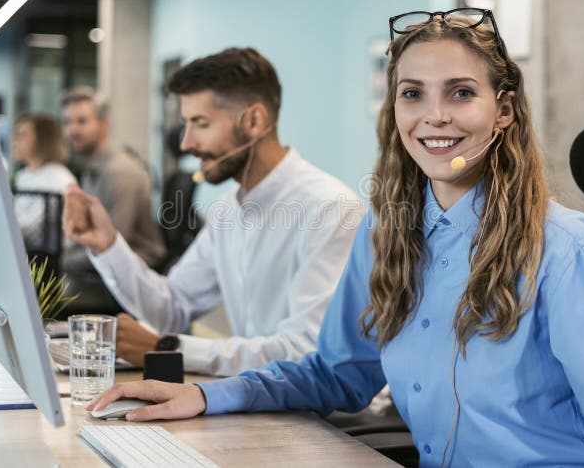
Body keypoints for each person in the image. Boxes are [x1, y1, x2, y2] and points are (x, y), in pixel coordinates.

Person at [87, 11, 584, 467]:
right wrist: (204, 396)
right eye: (413, 94)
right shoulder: (388, 232)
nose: (434, 116)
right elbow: (335, 374)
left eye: (461, 93)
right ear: (394, 110)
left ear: (503, 111)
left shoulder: (564, 249)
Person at [65, 47, 364, 376]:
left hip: (329, 419)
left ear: (254, 120)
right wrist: (106, 245)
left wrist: (168, 350)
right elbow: (171, 307)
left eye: (200, 123)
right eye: (186, 124)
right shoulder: (229, 211)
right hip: (260, 398)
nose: (186, 143)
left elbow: (305, 351)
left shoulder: (330, 208)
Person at [61, 86, 166, 312]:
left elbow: (113, 242)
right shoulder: (93, 166)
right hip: (103, 271)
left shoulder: (120, 171)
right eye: (68, 122)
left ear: (104, 124)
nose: (72, 130)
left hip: (132, 275)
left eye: (82, 121)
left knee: (45, 300)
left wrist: (62, 259)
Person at [11, 114, 76, 243]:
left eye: (22, 135)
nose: (14, 141)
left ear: (43, 139)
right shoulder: (23, 176)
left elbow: (28, 229)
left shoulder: (59, 179)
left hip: (44, 260)